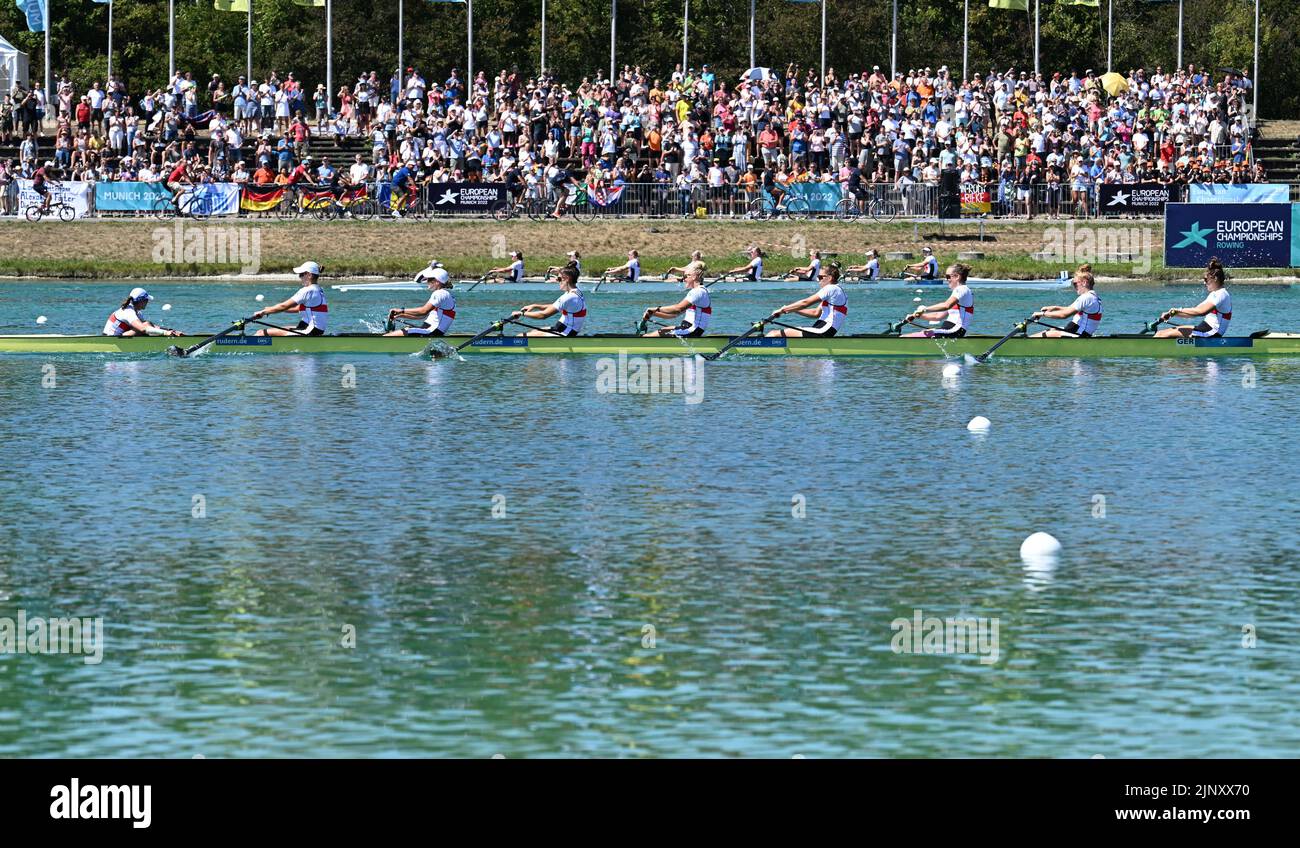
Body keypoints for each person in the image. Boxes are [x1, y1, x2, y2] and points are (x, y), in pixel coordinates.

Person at [1155, 257, 1232, 338]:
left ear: (1215, 279)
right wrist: (1173, 314)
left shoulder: (1221, 294)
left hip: (1211, 333)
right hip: (1205, 329)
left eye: (1206, 279)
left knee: (1160, 334)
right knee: (1163, 332)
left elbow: (1201, 312)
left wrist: (1179, 310)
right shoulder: (1214, 294)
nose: (1204, 282)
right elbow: (1193, 313)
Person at [766, 263, 848, 337]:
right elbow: (815, 313)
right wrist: (793, 310)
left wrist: (783, 310)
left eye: (820, 277)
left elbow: (805, 303)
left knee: (773, 334)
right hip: (823, 330)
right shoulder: (837, 291)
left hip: (822, 331)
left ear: (829, 278)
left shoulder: (831, 288)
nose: (818, 280)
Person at [251, 261, 329, 336]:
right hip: (311, 328)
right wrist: (270, 309)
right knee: (278, 329)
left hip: (310, 331)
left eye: (301, 274)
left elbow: (284, 306)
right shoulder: (318, 289)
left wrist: (263, 312)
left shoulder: (308, 290)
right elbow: (299, 308)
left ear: (309, 275)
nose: (300, 277)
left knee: (261, 333)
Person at [512, 265, 586, 337]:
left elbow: (543, 315)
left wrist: (522, 314)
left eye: (559, 279)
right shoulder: (576, 292)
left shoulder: (569, 297)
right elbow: (555, 306)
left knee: (520, 336)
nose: (557, 281)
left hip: (564, 333)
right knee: (533, 332)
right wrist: (535, 306)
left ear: (567, 279)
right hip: (561, 328)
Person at [904, 263, 974, 337]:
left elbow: (946, 305)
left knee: (904, 337)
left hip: (954, 331)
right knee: (923, 333)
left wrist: (924, 309)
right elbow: (938, 316)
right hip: (950, 330)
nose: (947, 280)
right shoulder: (959, 295)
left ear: (957, 276)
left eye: (948, 276)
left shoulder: (961, 289)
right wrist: (917, 315)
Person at [641, 264, 711, 337]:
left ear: (694, 276)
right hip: (687, 328)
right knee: (661, 330)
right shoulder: (697, 292)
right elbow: (674, 315)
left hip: (692, 331)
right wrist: (653, 313)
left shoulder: (698, 292)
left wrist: (657, 309)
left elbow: (678, 309)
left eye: (685, 276)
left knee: (646, 337)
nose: (683, 279)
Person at [1032, 264, 1102, 337]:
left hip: (1080, 336)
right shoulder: (1092, 296)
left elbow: (1063, 315)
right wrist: (1054, 308)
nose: (1074, 287)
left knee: (1049, 334)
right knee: (1051, 330)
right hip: (1076, 330)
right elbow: (1069, 309)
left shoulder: (1087, 298)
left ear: (1084, 283)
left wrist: (1042, 314)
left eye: (1075, 284)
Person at [385, 265, 455, 336]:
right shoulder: (445, 294)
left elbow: (423, 311)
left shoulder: (440, 293)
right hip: (430, 331)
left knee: (388, 336)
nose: (427, 281)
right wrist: (400, 315)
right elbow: (422, 316)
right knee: (407, 328)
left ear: (437, 282)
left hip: (431, 332)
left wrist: (401, 310)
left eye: (429, 279)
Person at [102, 288, 181, 337]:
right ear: (140, 301)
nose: (148, 302)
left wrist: (171, 330)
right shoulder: (128, 312)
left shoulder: (137, 312)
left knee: (147, 324)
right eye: (146, 300)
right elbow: (143, 328)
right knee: (145, 326)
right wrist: (165, 333)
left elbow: (151, 326)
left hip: (120, 336)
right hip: (111, 338)